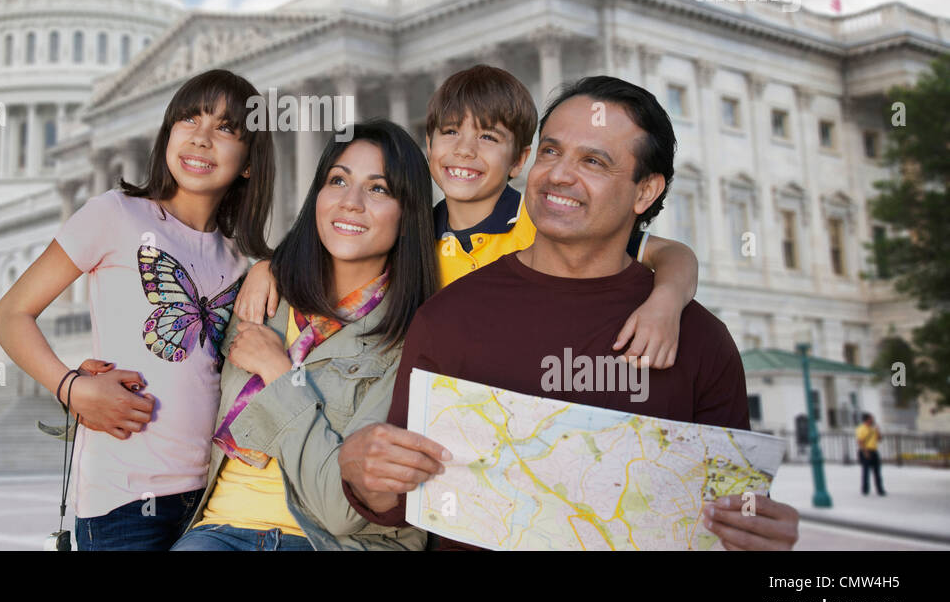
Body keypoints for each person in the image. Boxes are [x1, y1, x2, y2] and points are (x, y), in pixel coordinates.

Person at [339, 76, 801, 551]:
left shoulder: (700, 340)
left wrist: (758, 534)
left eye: (594, 161)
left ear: (646, 192)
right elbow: (394, 497)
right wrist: (360, 470)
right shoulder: (445, 316)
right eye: (551, 152)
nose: (559, 175)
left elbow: (733, 515)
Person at [237, 65, 698, 368]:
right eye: (451, 132)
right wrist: (267, 267)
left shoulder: (547, 225)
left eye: (488, 138)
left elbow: (671, 253)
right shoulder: (412, 236)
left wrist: (666, 303)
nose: (464, 150)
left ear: (520, 161)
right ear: (430, 145)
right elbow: (339, 255)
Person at [0, 69, 275, 550]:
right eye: (189, 119)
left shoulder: (239, 259)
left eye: (226, 128)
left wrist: (270, 263)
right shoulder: (116, 213)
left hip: (211, 498)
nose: (202, 138)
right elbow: (10, 314)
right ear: (167, 134)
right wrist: (70, 387)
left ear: (248, 162)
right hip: (122, 501)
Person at [171, 119, 436, 550]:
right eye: (338, 181)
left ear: (408, 216)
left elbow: (342, 508)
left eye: (378, 189)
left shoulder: (414, 341)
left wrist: (279, 373)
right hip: (218, 531)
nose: (351, 202)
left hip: (331, 542)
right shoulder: (259, 298)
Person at [856, 412, 886, 496]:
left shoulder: (873, 429)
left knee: (877, 471)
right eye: (871, 418)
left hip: (874, 451)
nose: (873, 420)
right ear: (867, 419)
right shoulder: (861, 428)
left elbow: (879, 439)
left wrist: (878, 431)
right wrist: (865, 452)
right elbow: (860, 441)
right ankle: (865, 489)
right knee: (866, 471)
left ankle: (880, 490)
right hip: (866, 451)